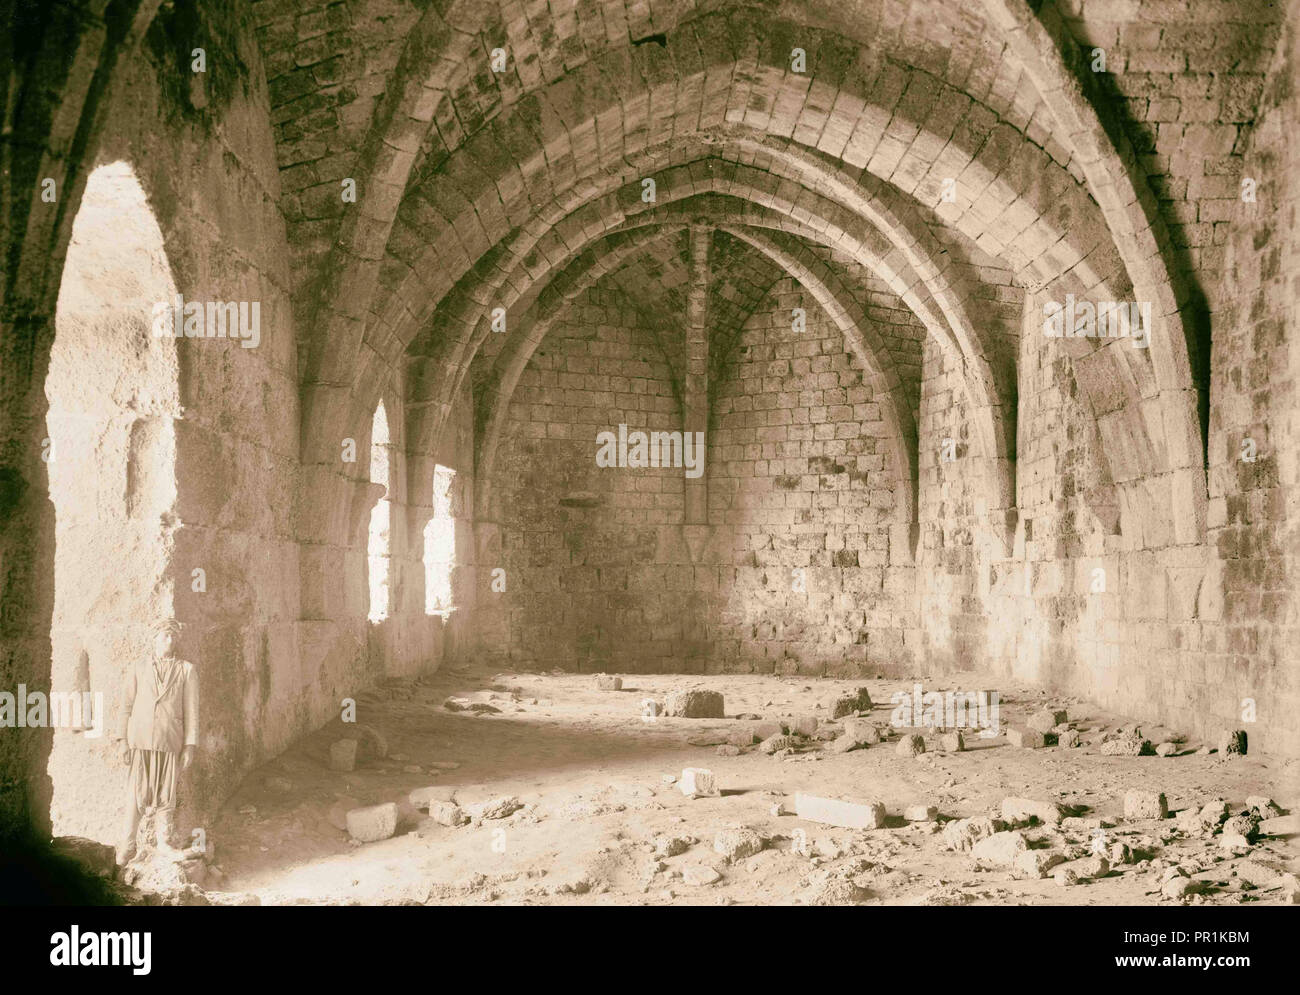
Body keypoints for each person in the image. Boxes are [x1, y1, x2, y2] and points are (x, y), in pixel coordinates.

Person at [113, 617, 198, 866]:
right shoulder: (138, 668)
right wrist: (122, 741)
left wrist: (190, 744)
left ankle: (164, 842)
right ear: (154, 639)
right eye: (163, 636)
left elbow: (192, 711)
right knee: (135, 793)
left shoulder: (186, 670)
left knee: (165, 793)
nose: (168, 641)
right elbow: (125, 707)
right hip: (140, 739)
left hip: (170, 739)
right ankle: (128, 844)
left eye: (172, 636)